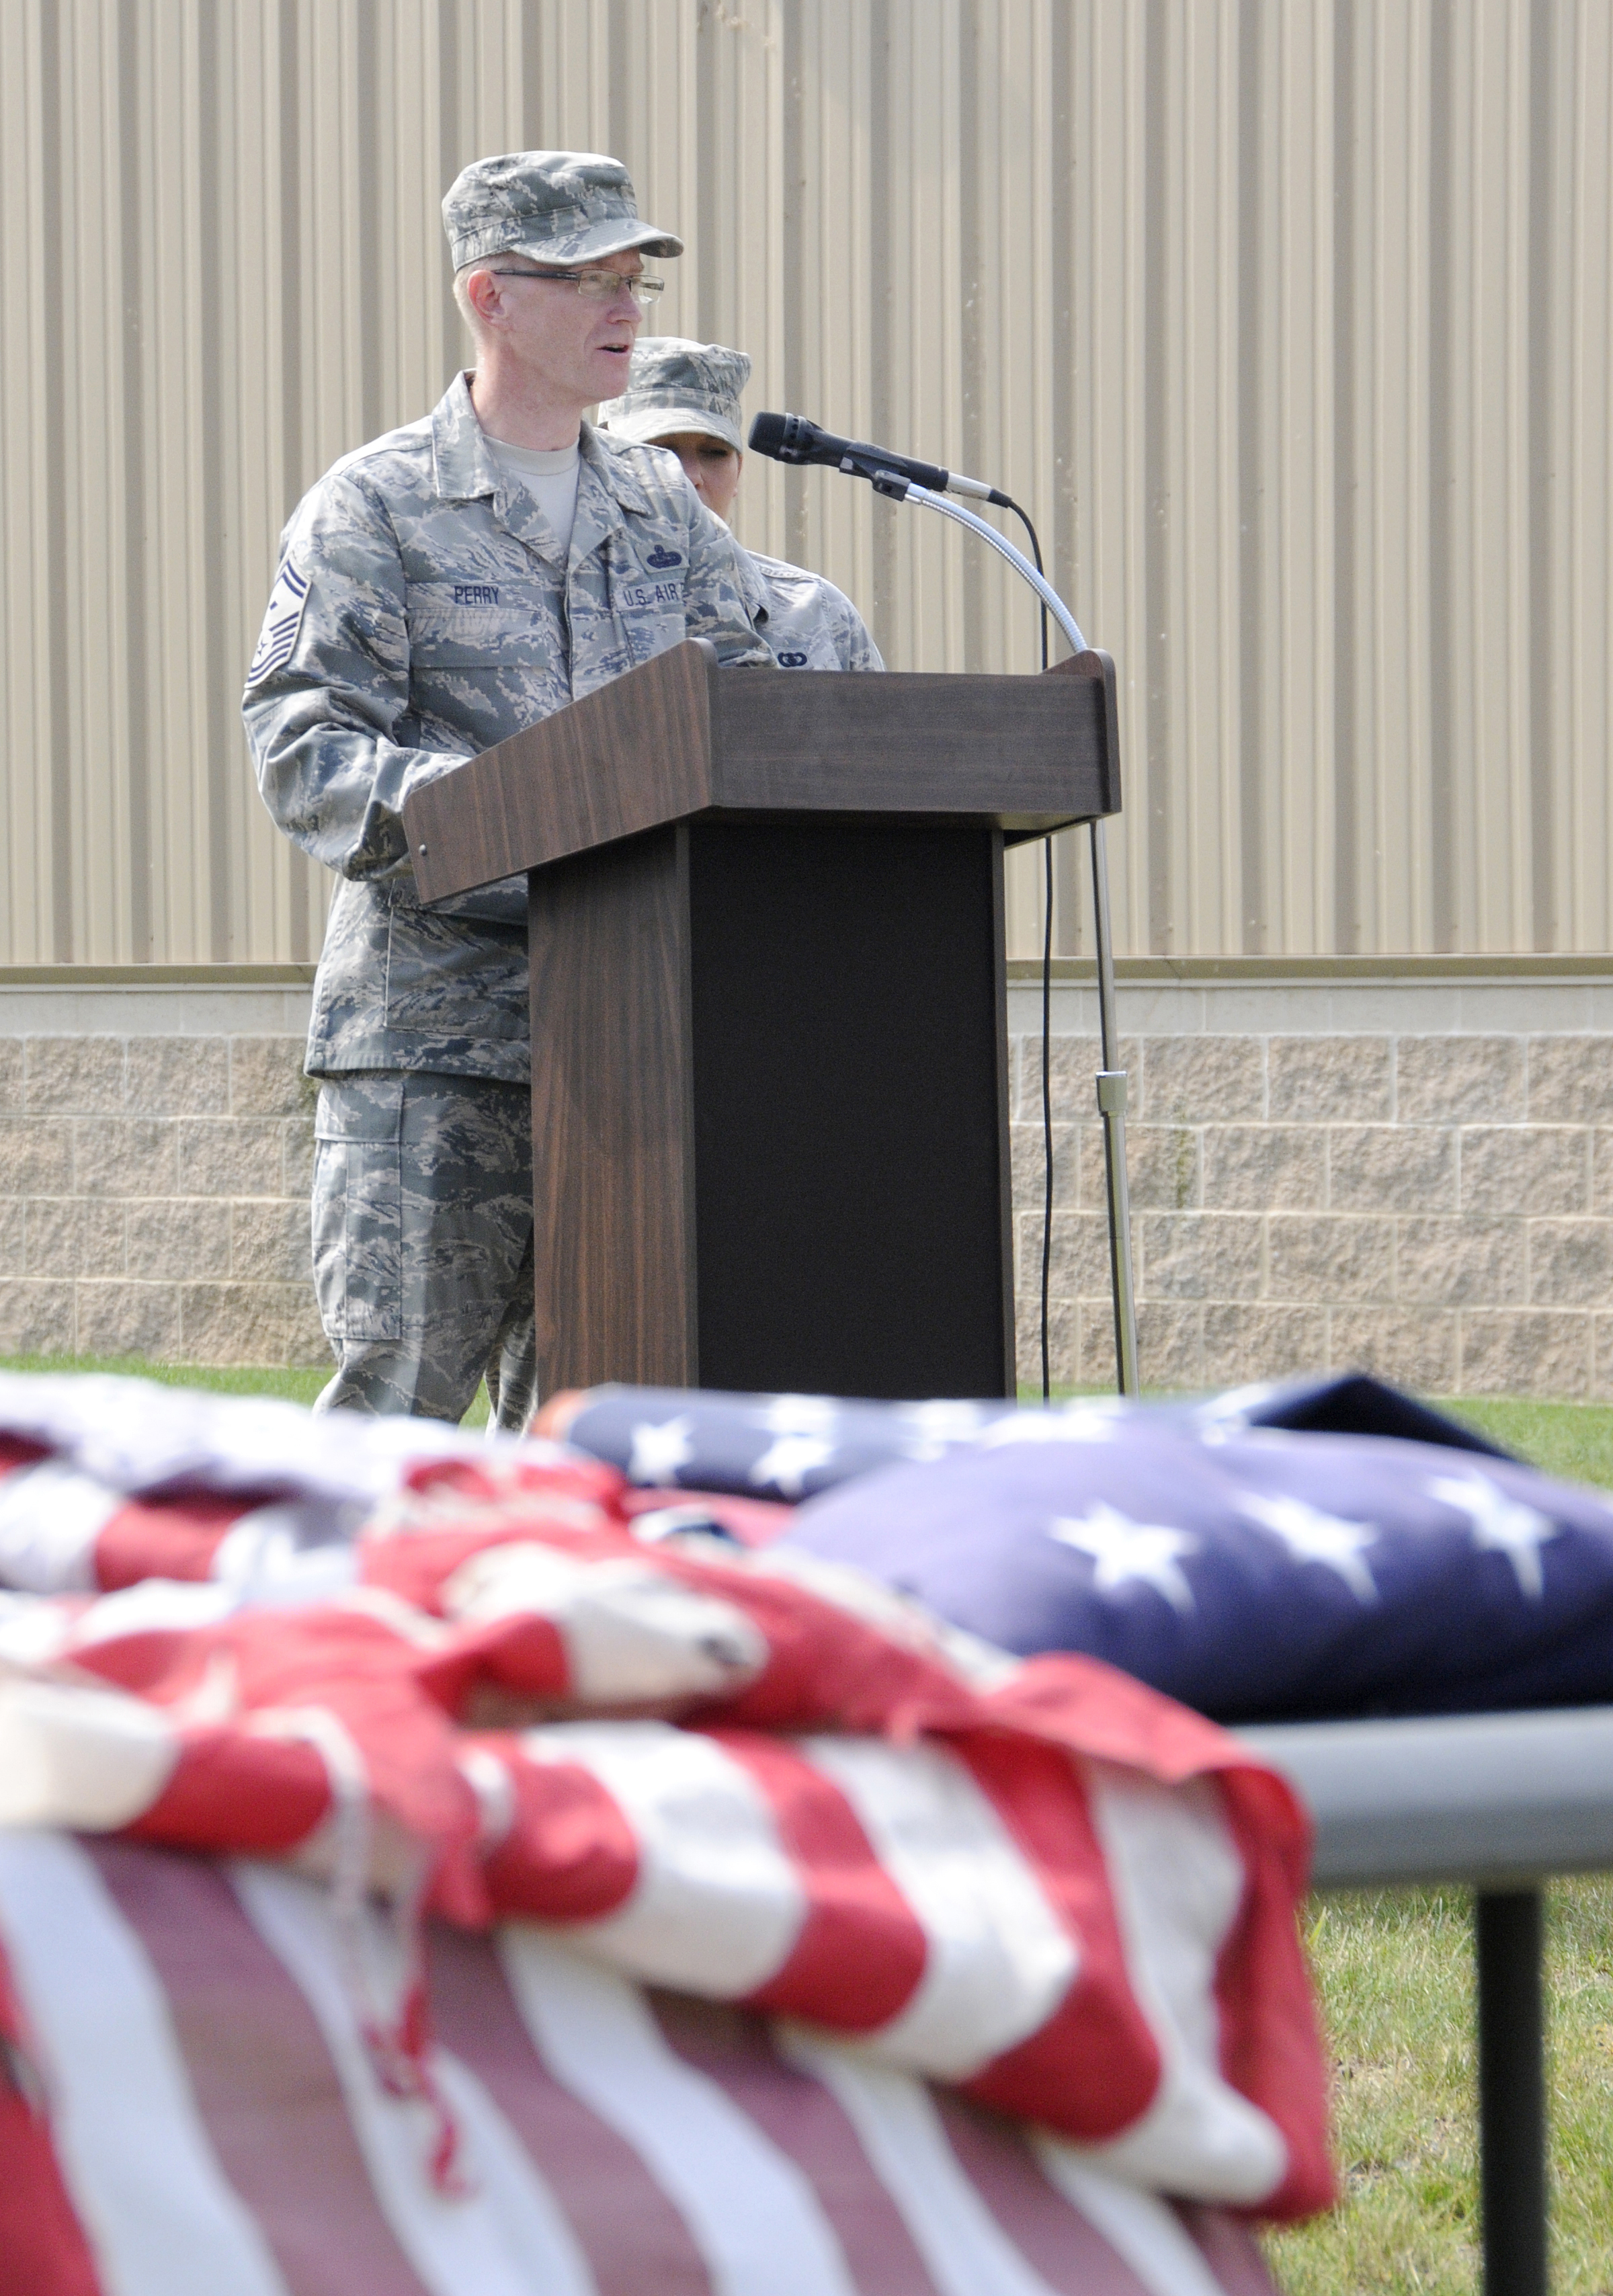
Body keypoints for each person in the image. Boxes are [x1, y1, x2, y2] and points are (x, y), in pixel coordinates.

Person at [243, 153, 772, 1431]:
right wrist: (530, 815)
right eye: (586, 279)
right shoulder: (375, 504)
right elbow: (304, 745)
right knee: (395, 1410)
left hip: (634, 1046)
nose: (626, 308)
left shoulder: (664, 509)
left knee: (586, 1425)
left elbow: (752, 711)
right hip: (442, 1047)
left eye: (632, 277)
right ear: (490, 294)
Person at [598, 337, 883, 671]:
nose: (690, 477)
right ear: (606, 465)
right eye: (662, 452)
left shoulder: (817, 610)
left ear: (739, 470)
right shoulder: (569, 604)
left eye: (715, 453)